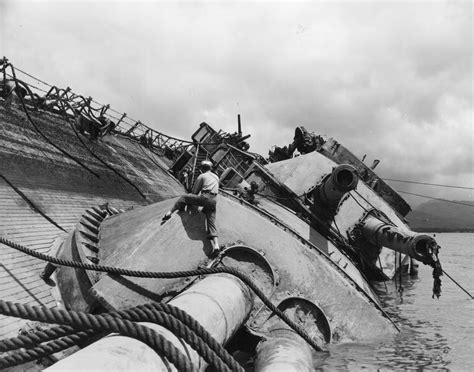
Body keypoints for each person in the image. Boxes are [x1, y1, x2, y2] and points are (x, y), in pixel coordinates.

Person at [162, 160, 220, 255]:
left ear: (202, 168)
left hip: (205, 198)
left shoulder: (202, 176)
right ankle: (216, 245)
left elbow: (195, 192)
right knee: (211, 221)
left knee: (185, 197)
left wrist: (191, 201)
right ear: (210, 168)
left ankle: (169, 213)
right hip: (214, 201)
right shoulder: (216, 177)